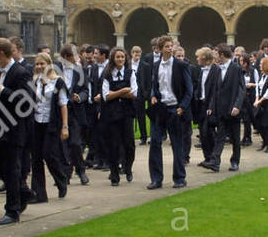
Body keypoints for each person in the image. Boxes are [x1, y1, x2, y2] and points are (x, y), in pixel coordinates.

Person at [0, 38, 32, 225]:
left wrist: (3, 90)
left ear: (2, 54)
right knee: (0, 167)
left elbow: (27, 101)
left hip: (15, 129)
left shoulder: (20, 72)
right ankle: (24, 192)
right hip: (0, 128)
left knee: (12, 170)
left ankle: (12, 211)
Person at [145, 35, 191, 189]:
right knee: (155, 144)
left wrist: (182, 107)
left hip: (174, 108)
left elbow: (189, 90)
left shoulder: (180, 65)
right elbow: (155, 85)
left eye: (171, 46)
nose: (170, 49)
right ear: (160, 49)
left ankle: (179, 178)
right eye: (167, 46)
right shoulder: (156, 65)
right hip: (160, 109)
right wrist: (152, 95)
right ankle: (156, 179)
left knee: (177, 145)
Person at [30, 53, 71, 202]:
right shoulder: (35, 82)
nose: (40, 67)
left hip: (51, 124)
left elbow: (63, 104)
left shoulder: (58, 82)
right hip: (36, 123)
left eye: (42, 64)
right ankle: (39, 193)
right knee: (35, 158)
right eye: (37, 64)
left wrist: (65, 126)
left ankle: (61, 179)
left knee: (49, 155)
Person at [201, 43, 243, 173]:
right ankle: (215, 162)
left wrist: (237, 106)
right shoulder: (218, 69)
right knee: (220, 136)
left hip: (233, 108)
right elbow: (216, 90)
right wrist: (211, 106)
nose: (215, 57)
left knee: (235, 137)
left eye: (217, 54)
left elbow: (241, 89)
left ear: (222, 55)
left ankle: (235, 161)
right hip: (221, 108)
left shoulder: (236, 68)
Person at [100, 46, 137, 185]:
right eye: (117, 57)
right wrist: (123, 91)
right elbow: (106, 96)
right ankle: (114, 173)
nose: (120, 59)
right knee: (113, 145)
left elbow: (134, 93)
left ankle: (128, 168)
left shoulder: (130, 73)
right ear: (113, 59)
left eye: (122, 57)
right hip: (112, 114)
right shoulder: (107, 74)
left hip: (127, 113)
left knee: (129, 144)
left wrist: (114, 92)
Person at [58, 44, 90, 185]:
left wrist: (80, 97)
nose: (77, 58)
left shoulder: (81, 71)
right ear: (66, 57)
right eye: (74, 55)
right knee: (63, 146)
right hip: (60, 112)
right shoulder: (55, 70)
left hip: (75, 112)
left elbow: (85, 90)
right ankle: (66, 173)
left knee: (76, 143)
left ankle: (81, 170)